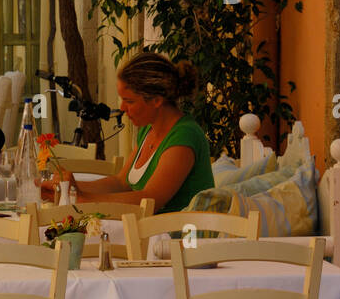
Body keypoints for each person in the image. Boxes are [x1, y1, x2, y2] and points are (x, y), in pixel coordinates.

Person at [43, 51, 214, 213]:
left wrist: (83, 199)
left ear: (156, 100)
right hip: (153, 233)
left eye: (129, 101)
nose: (122, 108)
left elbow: (150, 200)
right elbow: (121, 183)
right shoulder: (148, 129)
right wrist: (70, 188)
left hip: (182, 238)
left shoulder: (184, 136)